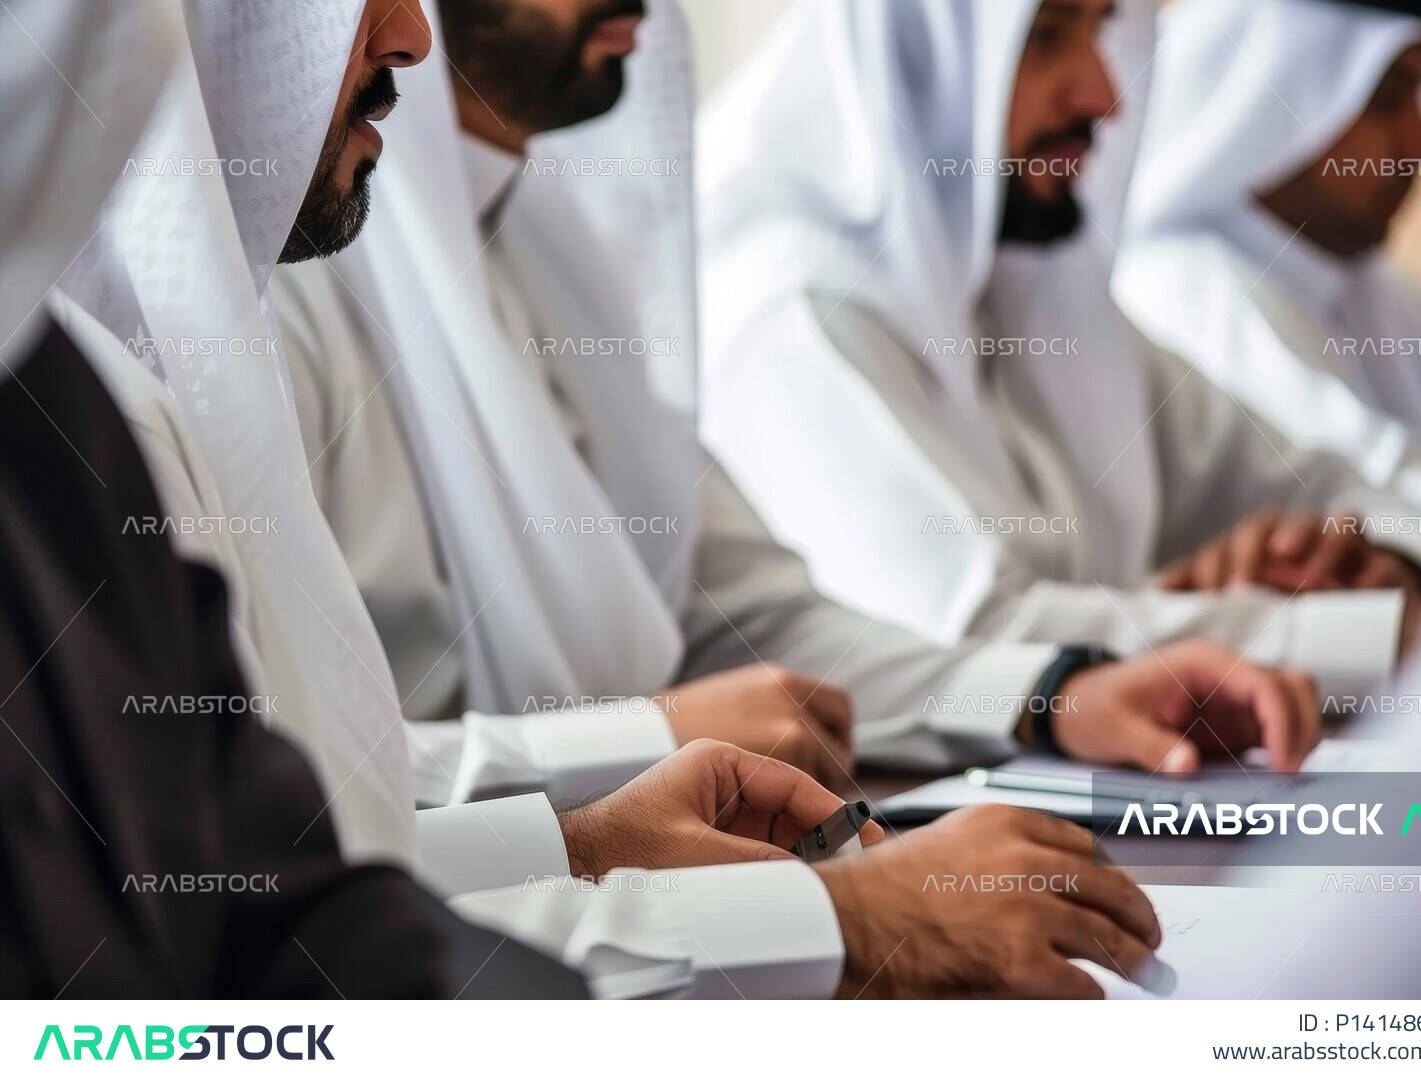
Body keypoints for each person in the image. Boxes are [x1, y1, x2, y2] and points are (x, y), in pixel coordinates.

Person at [59, 0, 1169, 1000]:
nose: (408, 35)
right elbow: (272, 919)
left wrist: (1052, 688)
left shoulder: (556, 254)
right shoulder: (242, 326)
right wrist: (815, 907)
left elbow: (739, 605)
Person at [0, 0, 583, 1000]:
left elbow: (277, 895)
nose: (412, 36)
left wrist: (597, 833)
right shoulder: (111, 404)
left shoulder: (68, 397)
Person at [698, 0, 1421, 707]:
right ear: (919, 57)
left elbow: (1337, 486)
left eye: (1101, 28)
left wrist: (1383, 563)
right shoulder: (798, 314)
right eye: (1044, 38)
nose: (1103, 94)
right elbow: (969, 640)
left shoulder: (1042, 290)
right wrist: (1360, 632)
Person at [1117, 0, 1421, 491]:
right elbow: (1404, 515)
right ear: (1269, 99)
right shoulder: (1190, 293)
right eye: (1388, 98)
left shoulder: (1363, 283)